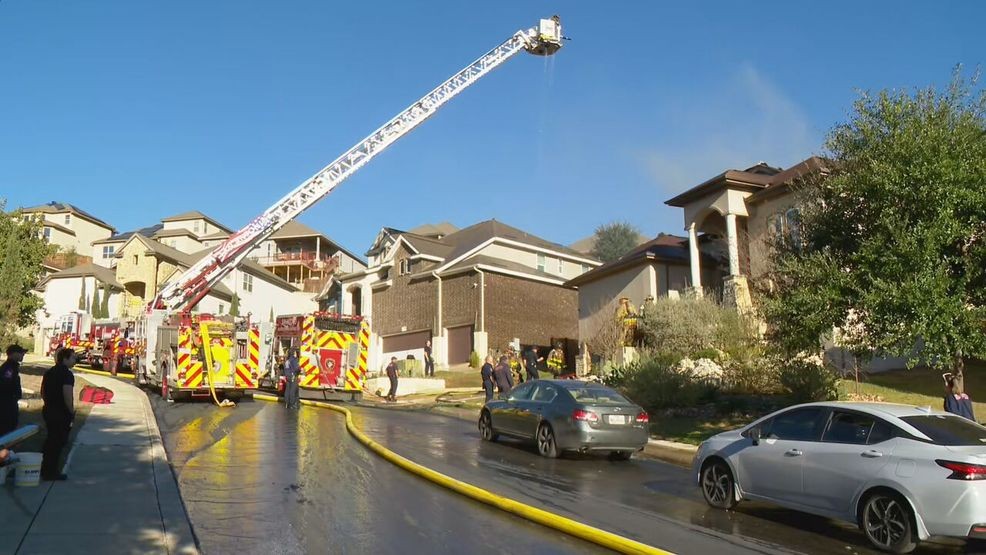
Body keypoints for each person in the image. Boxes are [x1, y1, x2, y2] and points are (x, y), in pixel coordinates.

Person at [41, 348, 77, 481]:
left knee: (50, 440)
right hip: (61, 412)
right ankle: (51, 472)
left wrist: (48, 403)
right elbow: (67, 394)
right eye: (72, 358)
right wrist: (71, 410)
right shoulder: (67, 374)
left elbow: (42, 391)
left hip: (48, 410)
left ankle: (44, 468)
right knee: (58, 442)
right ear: (65, 359)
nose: (75, 360)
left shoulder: (49, 372)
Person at [0, 344, 27, 437]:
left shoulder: (13, 367)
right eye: (21, 353)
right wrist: (14, 395)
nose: (23, 355)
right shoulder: (9, 368)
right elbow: (5, 384)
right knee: (6, 430)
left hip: (10, 402)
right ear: (13, 353)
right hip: (6, 404)